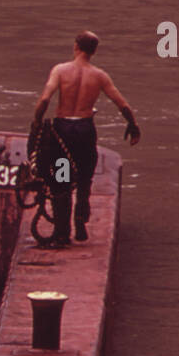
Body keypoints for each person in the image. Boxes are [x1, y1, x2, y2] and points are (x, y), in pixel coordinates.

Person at [32, 31, 140, 247]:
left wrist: (36, 122)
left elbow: (45, 99)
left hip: (63, 131)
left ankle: (63, 233)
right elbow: (122, 104)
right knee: (84, 176)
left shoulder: (60, 71)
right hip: (85, 130)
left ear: (76, 47)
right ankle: (81, 217)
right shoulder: (100, 76)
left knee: (62, 179)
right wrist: (133, 125)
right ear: (94, 51)